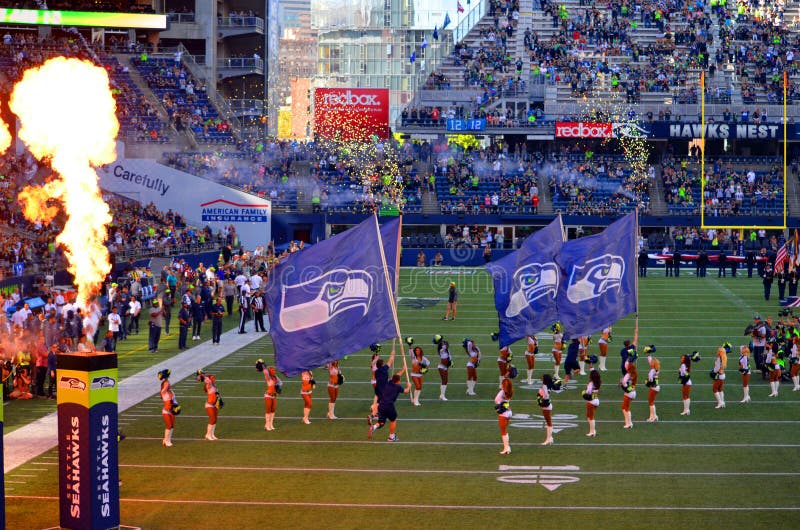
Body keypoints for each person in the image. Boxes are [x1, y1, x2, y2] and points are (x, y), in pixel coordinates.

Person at [368, 373, 412, 441]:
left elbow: (396, 376)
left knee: (382, 422)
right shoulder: (398, 387)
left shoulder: (388, 382)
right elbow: (406, 391)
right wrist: (409, 386)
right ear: (398, 381)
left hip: (381, 405)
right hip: (389, 406)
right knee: (393, 420)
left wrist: (402, 371)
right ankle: (391, 437)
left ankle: (373, 427)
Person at [256, 361, 282, 431]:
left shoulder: (275, 377)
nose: (274, 371)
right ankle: (267, 425)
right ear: (270, 372)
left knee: (273, 410)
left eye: (274, 370)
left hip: (274, 395)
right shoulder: (268, 378)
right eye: (272, 370)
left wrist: (278, 387)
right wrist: (263, 367)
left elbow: (281, 383)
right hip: (268, 395)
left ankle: (271, 424)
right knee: (268, 410)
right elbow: (265, 373)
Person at [197, 370, 222, 440]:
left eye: (214, 378)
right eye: (212, 378)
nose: (214, 379)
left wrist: (219, 401)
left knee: (215, 420)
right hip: (209, 405)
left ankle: (212, 434)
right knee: (212, 419)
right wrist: (201, 374)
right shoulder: (209, 385)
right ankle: (207, 435)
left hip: (215, 404)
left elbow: (216, 394)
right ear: (209, 379)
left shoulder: (214, 385)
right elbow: (206, 380)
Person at [158, 369, 179, 447]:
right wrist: (165, 386)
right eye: (168, 385)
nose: (169, 385)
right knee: (169, 426)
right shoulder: (164, 392)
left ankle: (167, 439)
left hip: (172, 410)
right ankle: (166, 441)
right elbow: (162, 391)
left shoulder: (170, 391)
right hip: (166, 411)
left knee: (172, 425)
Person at [495, 378, 514, 454]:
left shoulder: (502, 392)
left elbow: (496, 400)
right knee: (505, 431)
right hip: (509, 411)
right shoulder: (511, 391)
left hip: (504, 413)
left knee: (503, 431)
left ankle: (506, 448)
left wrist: (499, 404)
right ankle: (507, 447)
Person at [538, 374, 556, 445]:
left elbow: (545, 395)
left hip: (546, 405)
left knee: (548, 422)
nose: (541, 378)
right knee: (548, 422)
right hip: (547, 404)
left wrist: (540, 398)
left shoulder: (544, 386)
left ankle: (548, 439)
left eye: (542, 377)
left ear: (544, 379)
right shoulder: (547, 385)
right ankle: (550, 438)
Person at [583, 369, 601, 437]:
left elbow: (588, 392)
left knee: (591, 417)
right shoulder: (598, 382)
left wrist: (584, 392)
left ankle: (592, 432)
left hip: (591, 401)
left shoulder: (591, 383)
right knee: (589, 416)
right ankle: (593, 430)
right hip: (596, 400)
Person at [620, 358, 637, 429]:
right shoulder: (634, 373)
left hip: (629, 393)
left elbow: (624, 382)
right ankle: (628, 423)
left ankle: (629, 423)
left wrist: (622, 383)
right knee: (624, 407)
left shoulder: (627, 375)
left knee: (625, 408)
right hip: (633, 391)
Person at [435, 335, 452, 400]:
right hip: (441, 367)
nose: (447, 345)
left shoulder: (448, 351)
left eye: (447, 344)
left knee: (445, 381)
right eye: (445, 345)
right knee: (444, 380)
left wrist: (451, 363)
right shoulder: (441, 351)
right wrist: (441, 341)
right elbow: (443, 347)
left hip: (446, 367)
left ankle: (442, 395)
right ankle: (442, 395)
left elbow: (450, 358)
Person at [712, 344, 729, 408]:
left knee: (714, 389)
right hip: (723, 375)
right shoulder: (724, 357)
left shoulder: (719, 358)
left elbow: (717, 368)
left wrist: (713, 371)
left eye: (719, 350)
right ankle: (723, 402)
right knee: (720, 389)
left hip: (718, 375)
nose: (717, 351)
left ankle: (720, 403)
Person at [645, 354, 660, 422]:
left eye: (652, 362)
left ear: (653, 364)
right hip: (656, 386)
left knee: (651, 402)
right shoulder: (656, 369)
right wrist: (649, 355)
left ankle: (653, 417)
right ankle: (653, 416)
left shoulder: (652, 371)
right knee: (651, 402)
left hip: (653, 387)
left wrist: (646, 382)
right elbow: (651, 361)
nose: (650, 362)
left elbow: (650, 379)